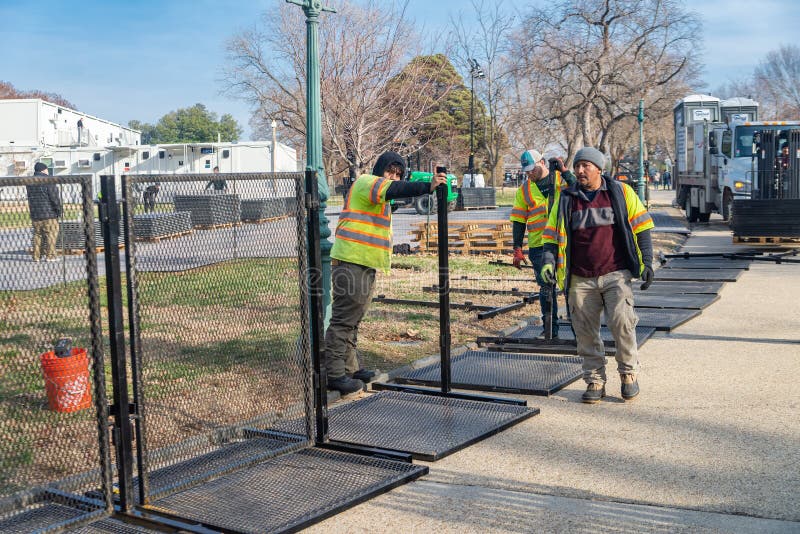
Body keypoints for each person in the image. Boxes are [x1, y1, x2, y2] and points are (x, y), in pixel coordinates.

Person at [325, 151, 447, 395]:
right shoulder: (366, 182)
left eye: (398, 174)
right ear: (379, 170)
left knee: (354, 318)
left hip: (362, 262)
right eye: (390, 172)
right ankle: (335, 374)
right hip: (351, 261)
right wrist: (427, 186)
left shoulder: (379, 196)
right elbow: (395, 189)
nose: (393, 177)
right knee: (343, 320)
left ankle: (350, 368)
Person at [541, 147, 654, 404]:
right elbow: (550, 235)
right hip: (580, 278)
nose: (580, 170)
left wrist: (647, 262)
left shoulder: (621, 192)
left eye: (586, 166)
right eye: (578, 165)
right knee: (585, 331)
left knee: (622, 323)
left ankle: (628, 374)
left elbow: (643, 227)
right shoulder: (566, 198)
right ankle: (594, 379)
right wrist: (548, 262)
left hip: (616, 273)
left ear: (599, 169)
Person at [510, 149, 576, 337]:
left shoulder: (560, 181)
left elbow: (578, 189)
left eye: (532, 169)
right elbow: (519, 220)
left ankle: (579, 331)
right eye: (526, 171)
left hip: (563, 243)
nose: (529, 174)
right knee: (546, 287)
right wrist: (517, 248)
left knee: (570, 286)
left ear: (542, 163)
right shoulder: (524, 190)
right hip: (539, 246)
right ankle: (549, 330)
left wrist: (564, 171)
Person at [26, 162, 62, 262]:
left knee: (37, 235)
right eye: (47, 169)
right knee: (51, 234)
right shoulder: (48, 180)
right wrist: (58, 210)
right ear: (43, 170)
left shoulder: (29, 181)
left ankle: (36, 257)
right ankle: (50, 256)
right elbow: (54, 198)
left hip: (35, 214)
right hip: (49, 213)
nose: (48, 171)